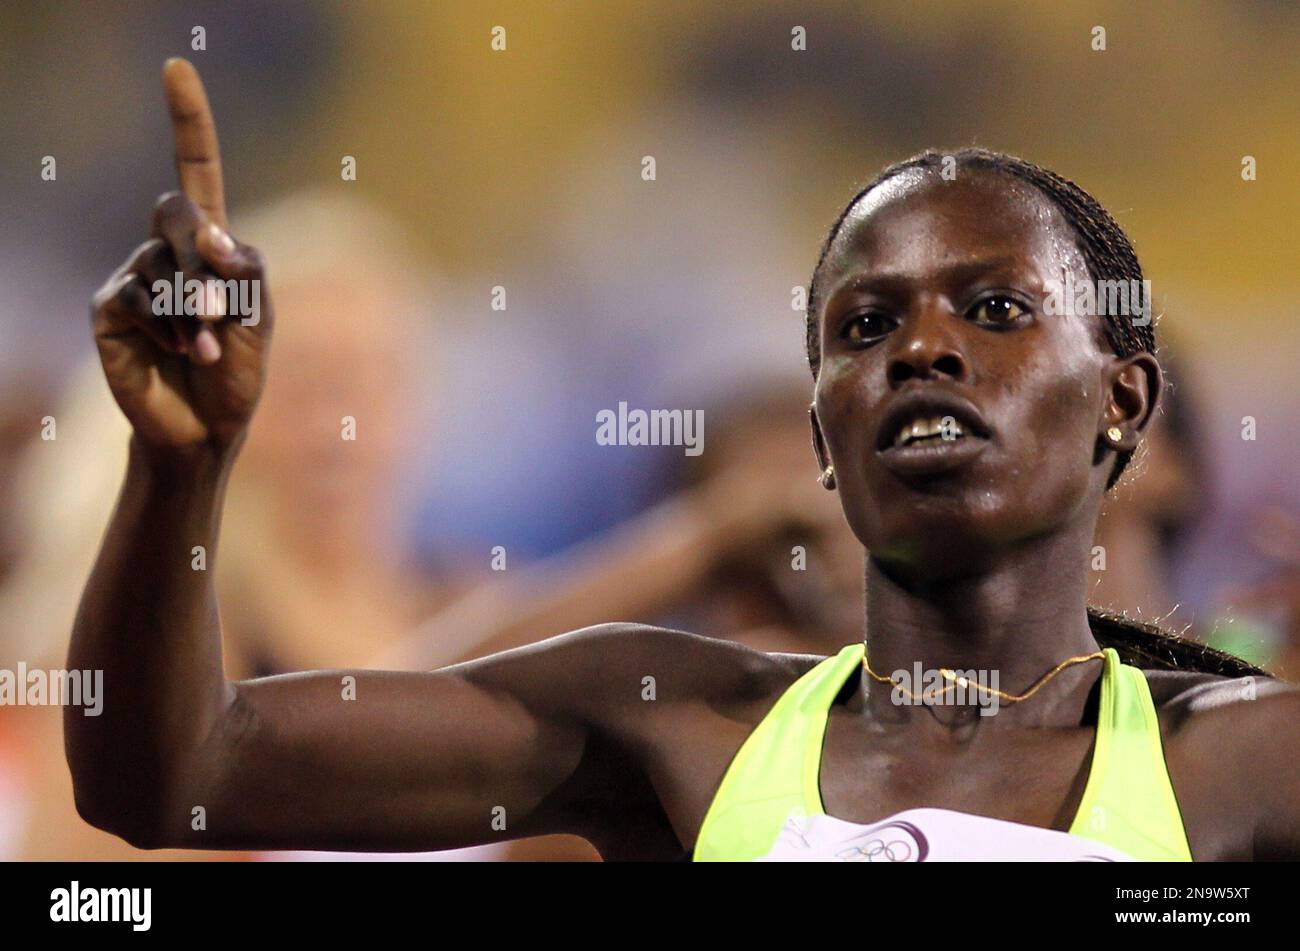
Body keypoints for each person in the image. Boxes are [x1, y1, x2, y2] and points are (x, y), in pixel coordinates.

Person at [67, 59, 1299, 861]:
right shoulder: (670, 724)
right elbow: (177, 773)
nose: (923, 348)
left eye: (992, 311)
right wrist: (183, 467)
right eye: (864, 326)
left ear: (1122, 405)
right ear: (822, 441)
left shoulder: (1250, 757)